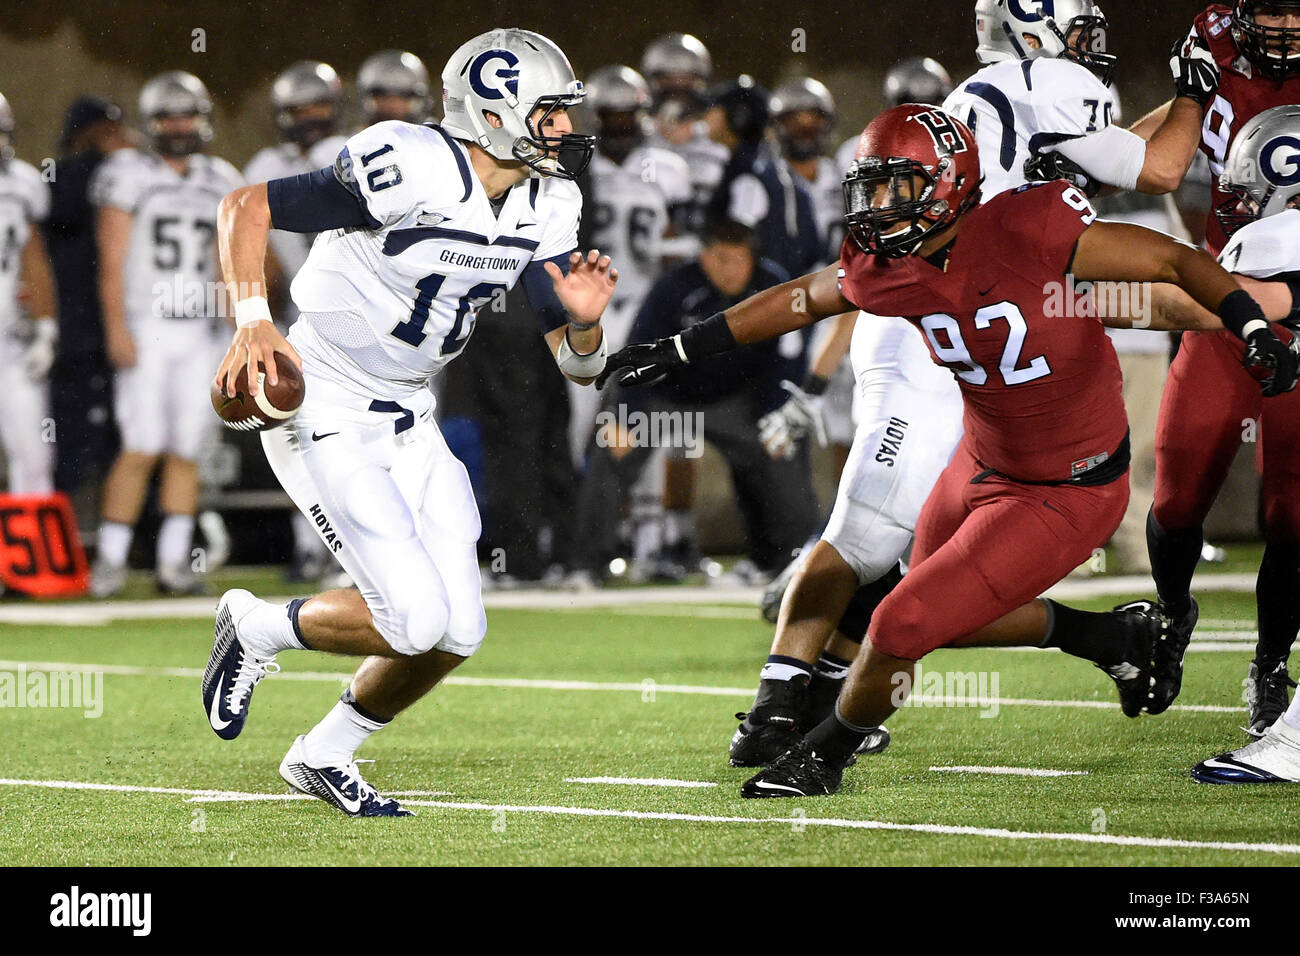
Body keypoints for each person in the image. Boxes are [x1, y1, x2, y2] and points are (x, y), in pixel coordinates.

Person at [600, 105, 1297, 798]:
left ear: (946, 182)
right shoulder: (891, 265)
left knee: (903, 621)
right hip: (980, 462)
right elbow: (805, 299)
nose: (875, 206)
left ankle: (824, 757)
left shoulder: (1029, 224)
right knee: (929, 615)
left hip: (1067, 489)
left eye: (893, 187)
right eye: (869, 188)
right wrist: (684, 345)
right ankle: (1114, 639)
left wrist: (1254, 329)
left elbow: (1173, 261)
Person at [203, 28, 613, 817]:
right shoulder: (413, 162)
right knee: (413, 618)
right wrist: (253, 320)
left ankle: (323, 753)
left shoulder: (550, 200)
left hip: (410, 414)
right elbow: (245, 205)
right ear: (494, 113)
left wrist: (587, 324)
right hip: (324, 396)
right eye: (550, 113)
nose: (565, 129)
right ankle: (256, 625)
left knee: (458, 632)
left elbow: (578, 365)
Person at [571, 217, 816, 584]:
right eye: (719, 259)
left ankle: (790, 562)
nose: (728, 269)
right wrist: (626, 415)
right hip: (666, 399)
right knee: (612, 444)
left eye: (737, 259)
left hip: (734, 403)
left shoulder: (773, 289)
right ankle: (586, 566)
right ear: (703, 257)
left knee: (781, 446)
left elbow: (785, 363)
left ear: (753, 259)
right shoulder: (674, 288)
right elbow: (640, 351)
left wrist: (773, 417)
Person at [90, 71, 244, 597]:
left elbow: (229, 262)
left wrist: (238, 331)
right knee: (140, 445)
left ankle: (173, 564)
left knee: (188, 448)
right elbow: (111, 261)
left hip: (201, 330)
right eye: (167, 116)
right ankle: (109, 561)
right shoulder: (127, 173)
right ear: (150, 122)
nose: (178, 125)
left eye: (186, 115)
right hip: (148, 326)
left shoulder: (221, 177)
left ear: (201, 119)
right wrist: (117, 328)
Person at [245, 60, 349, 583]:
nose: (309, 118)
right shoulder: (265, 162)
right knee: (296, 430)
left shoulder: (355, 151)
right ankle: (311, 545)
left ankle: (355, 548)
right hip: (298, 318)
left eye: (318, 107)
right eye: (298, 109)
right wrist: (250, 318)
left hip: (360, 317)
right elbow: (260, 253)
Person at [43, 97, 132, 518]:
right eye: (105, 129)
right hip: (75, 333)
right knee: (70, 444)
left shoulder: (129, 176)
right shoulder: (60, 178)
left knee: (126, 441)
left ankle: (133, 542)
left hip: (117, 331)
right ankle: (60, 540)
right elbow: (67, 202)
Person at [0, 91, 59, 495]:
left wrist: (46, 330)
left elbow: (34, 260)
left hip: (10, 342)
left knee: (35, 458)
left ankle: (27, 557)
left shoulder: (22, 182)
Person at [357, 50, 433, 125]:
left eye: (404, 96)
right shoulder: (354, 137)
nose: (393, 104)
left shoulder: (435, 136)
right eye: (382, 95)